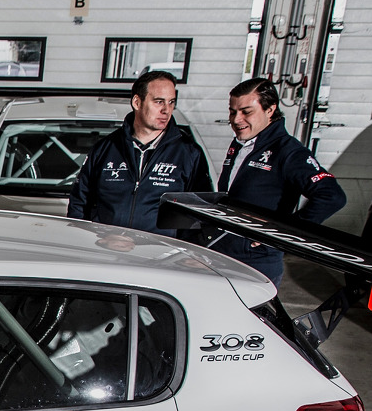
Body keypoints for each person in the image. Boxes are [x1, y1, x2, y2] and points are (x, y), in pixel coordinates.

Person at [211, 77, 347, 284]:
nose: (237, 119)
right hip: (223, 253)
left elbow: (332, 196)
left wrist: (282, 234)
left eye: (246, 112)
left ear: (270, 110)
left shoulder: (288, 151)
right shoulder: (243, 142)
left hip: (255, 264)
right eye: (232, 111)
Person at [66, 70, 212, 235]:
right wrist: (83, 239)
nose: (166, 110)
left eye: (171, 102)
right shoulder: (106, 148)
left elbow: (201, 214)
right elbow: (80, 203)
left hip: (160, 255)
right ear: (137, 102)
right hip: (105, 251)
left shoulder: (189, 153)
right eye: (159, 102)